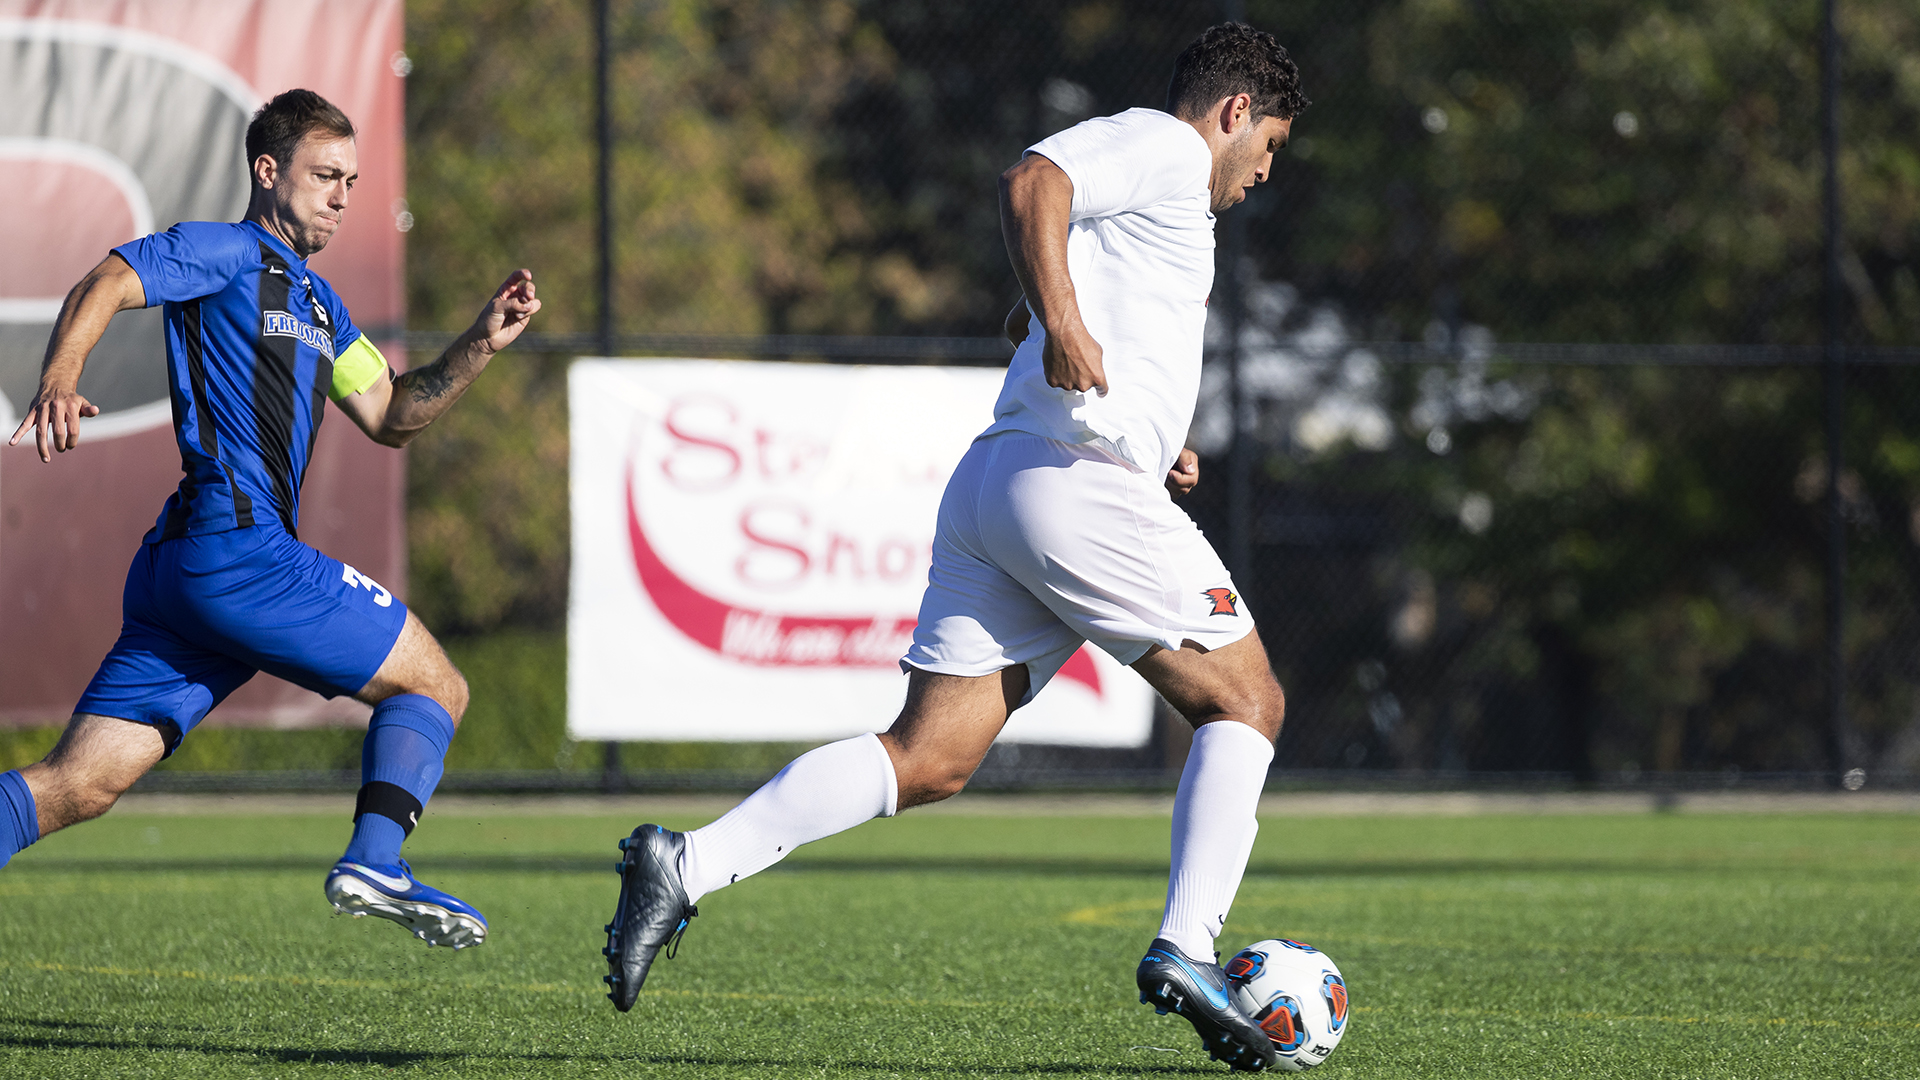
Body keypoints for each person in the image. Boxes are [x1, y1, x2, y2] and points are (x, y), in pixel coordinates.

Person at [604, 22, 1306, 1070]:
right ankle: (1187, 949)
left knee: (928, 758)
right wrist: (1065, 330)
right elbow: (1033, 182)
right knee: (1247, 703)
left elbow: (1033, 310)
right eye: (1270, 148)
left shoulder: (1148, 203)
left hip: (1005, 486)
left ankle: (686, 864)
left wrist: (1135, 415)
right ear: (1236, 111)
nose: (1262, 175)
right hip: (1073, 483)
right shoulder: (1167, 145)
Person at [0, 89, 540, 950]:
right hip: (238, 550)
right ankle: (376, 860)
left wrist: (480, 342)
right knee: (435, 686)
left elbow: (392, 415)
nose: (342, 195)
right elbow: (106, 280)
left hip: (187, 573)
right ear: (267, 170)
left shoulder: (323, 306)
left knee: (78, 785)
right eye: (325, 175)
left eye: (352, 180)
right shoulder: (222, 251)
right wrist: (61, 377)